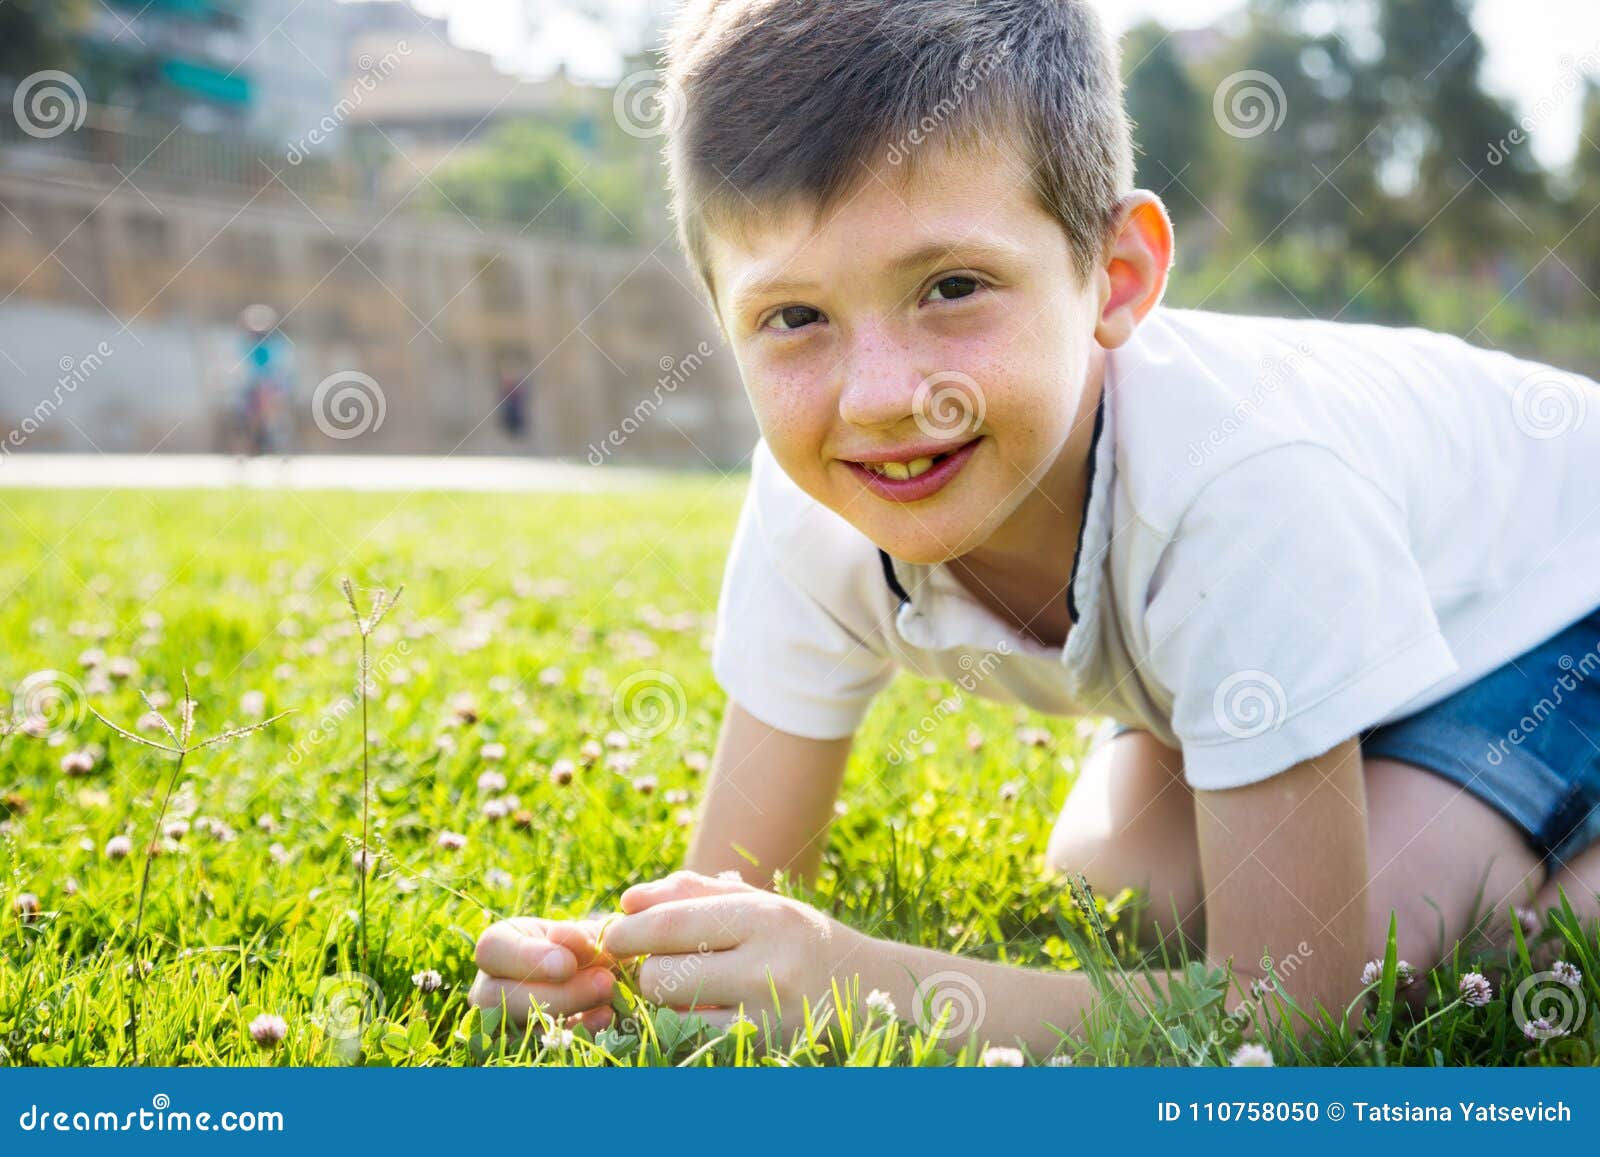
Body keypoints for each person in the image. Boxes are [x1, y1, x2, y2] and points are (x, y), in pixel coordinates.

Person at [469, 0, 1600, 1056]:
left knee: (1404, 940)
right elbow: (732, 885)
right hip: (1377, 600)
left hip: (1558, 601)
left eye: (952, 286)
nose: (877, 398)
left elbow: (1293, 1014)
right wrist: (601, 969)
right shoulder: (809, 501)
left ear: (1114, 277)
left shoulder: (1248, 487)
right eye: (794, 315)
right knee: (1119, 883)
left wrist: (859, 979)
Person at [234, 304, 293, 455]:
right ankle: (247, 450)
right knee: (250, 421)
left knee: (275, 421)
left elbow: (278, 370)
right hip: (253, 388)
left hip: (271, 388)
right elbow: (244, 370)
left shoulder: (276, 345)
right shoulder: (246, 344)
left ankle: (280, 451)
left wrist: (270, 389)